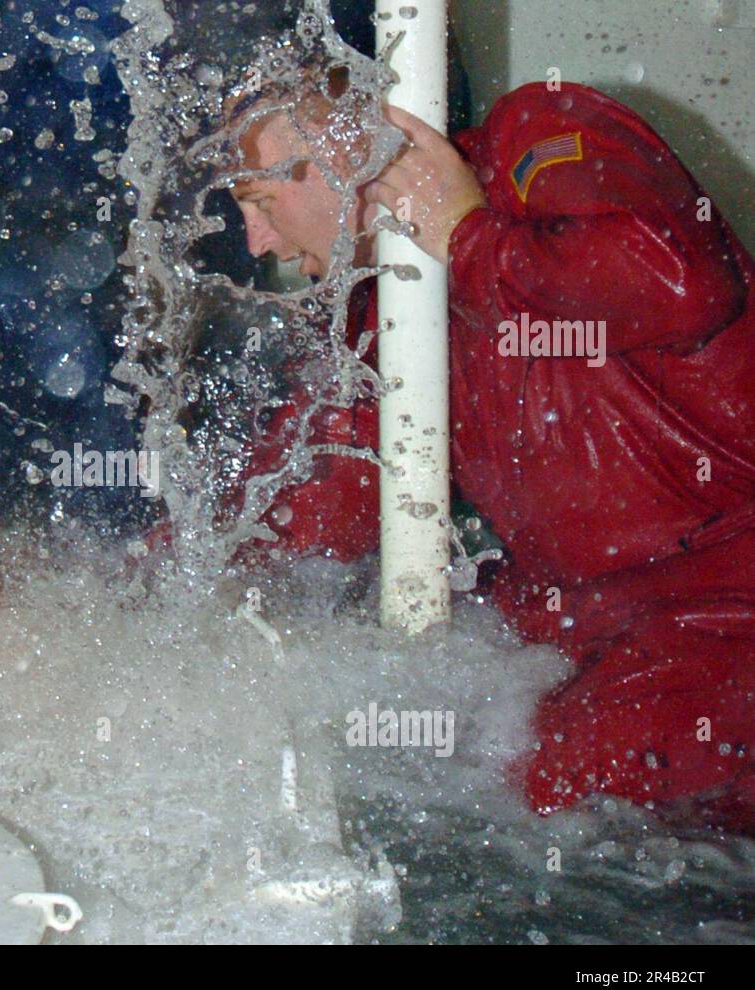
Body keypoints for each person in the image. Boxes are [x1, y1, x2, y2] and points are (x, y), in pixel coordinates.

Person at [223, 64, 755, 831]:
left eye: (259, 200)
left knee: (561, 784)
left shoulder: (533, 140)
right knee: (380, 729)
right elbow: (307, 505)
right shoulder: (386, 313)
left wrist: (465, 236)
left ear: (345, 153)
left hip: (725, 608)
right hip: (573, 619)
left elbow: (677, 283)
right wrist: (137, 591)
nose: (258, 241)